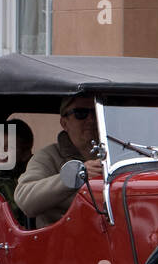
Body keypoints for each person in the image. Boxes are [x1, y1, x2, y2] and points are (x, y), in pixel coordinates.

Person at [14, 95, 106, 227]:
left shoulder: (119, 154)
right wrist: (75, 175)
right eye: (81, 113)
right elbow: (25, 198)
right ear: (64, 123)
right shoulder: (49, 156)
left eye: (96, 112)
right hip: (62, 240)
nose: (91, 119)